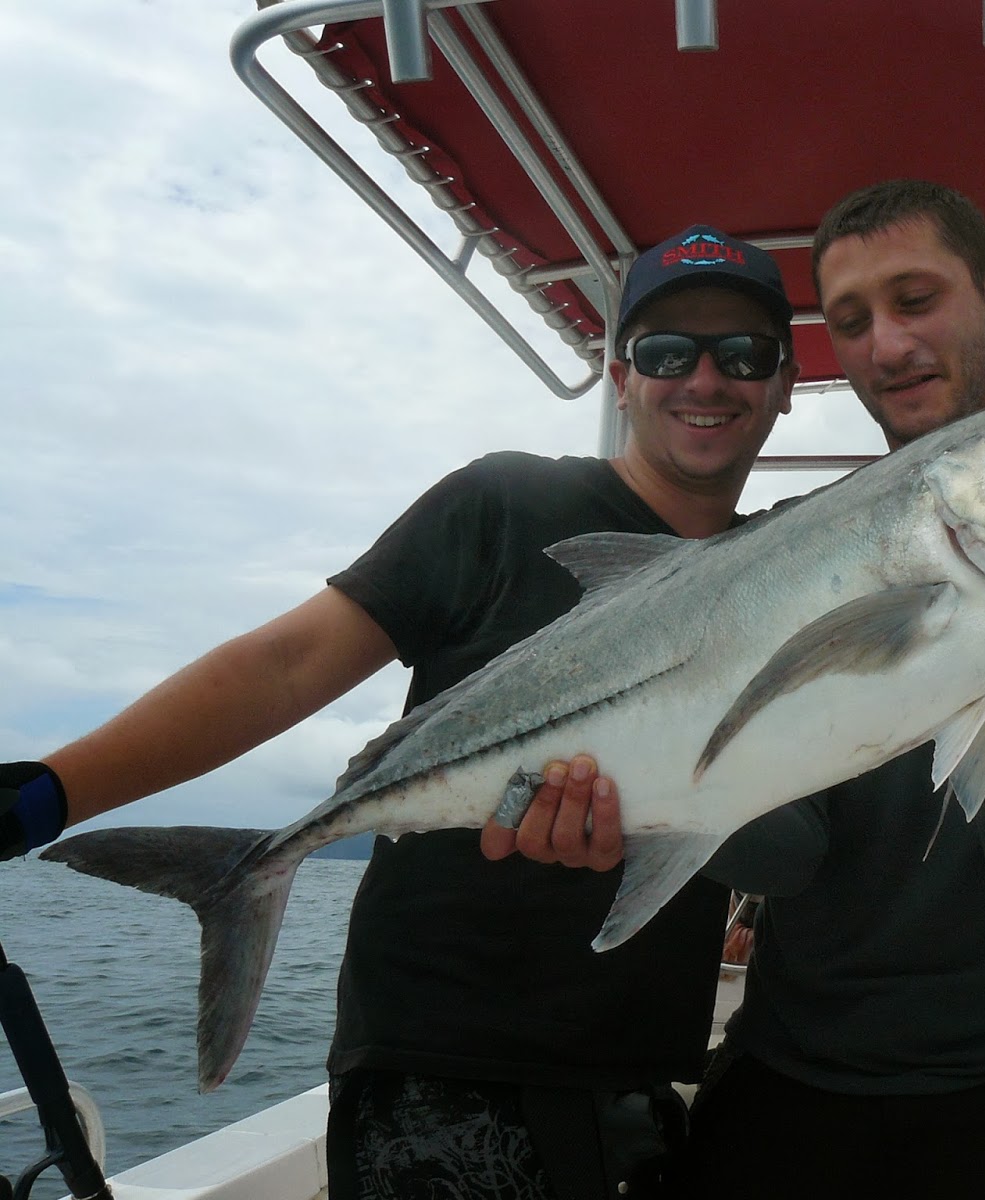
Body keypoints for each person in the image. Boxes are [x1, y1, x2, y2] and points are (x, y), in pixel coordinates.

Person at [0, 224, 799, 1199]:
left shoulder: (798, 574)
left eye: (743, 352)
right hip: (440, 1073)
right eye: (668, 351)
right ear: (621, 374)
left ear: (785, 382)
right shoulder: (501, 506)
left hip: (637, 1080)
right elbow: (287, 664)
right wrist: (50, 793)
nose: (705, 380)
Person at [500, 181, 985, 1197]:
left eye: (915, 299)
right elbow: (791, 859)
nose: (885, 344)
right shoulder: (775, 557)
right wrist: (642, 806)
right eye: (850, 322)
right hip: (795, 1056)